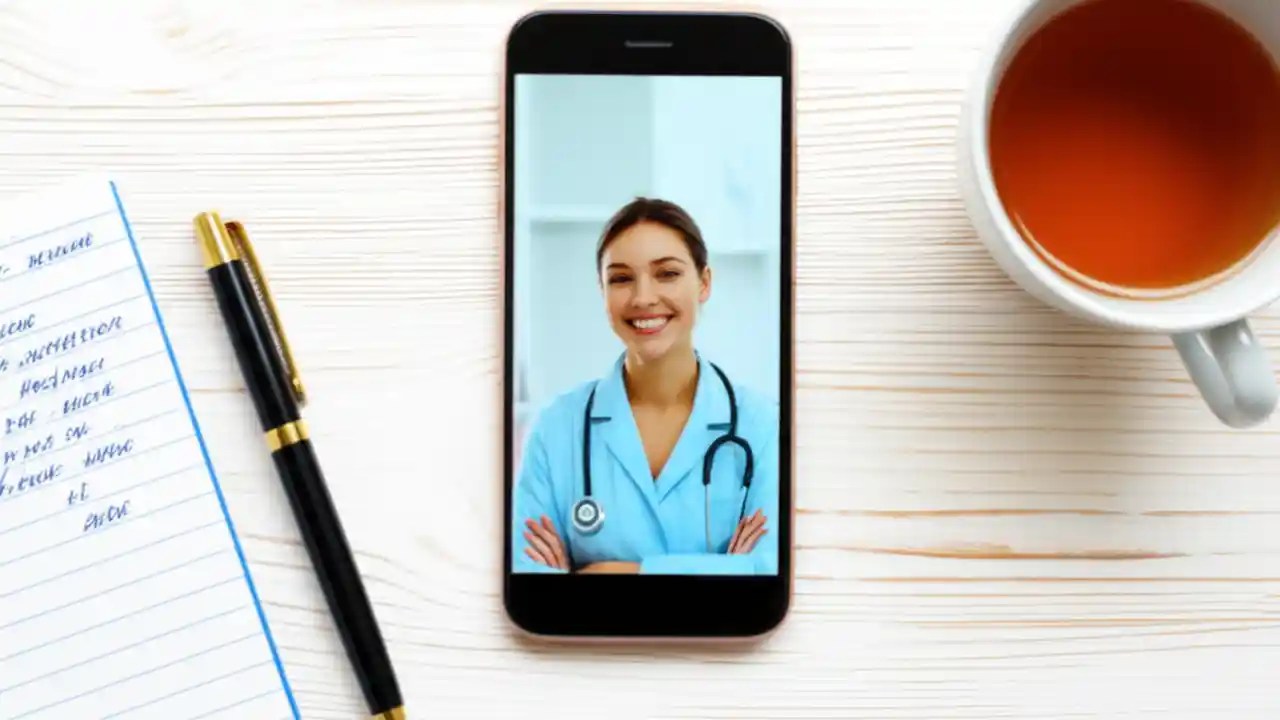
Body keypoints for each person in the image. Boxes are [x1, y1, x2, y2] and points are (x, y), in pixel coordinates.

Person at [512, 197, 779, 575]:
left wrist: (612, 573)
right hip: (586, 639)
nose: (643, 298)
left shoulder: (764, 426)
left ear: (704, 283)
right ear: (602, 292)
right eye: (621, 279)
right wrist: (720, 572)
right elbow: (530, 578)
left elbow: (766, 572)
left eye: (667, 273)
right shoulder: (556, 428)